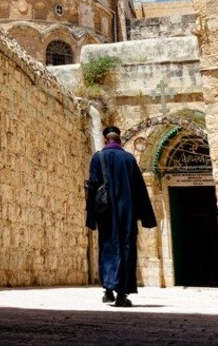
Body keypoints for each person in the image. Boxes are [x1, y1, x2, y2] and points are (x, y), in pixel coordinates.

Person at [85, 125, 157, 307]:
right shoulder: (129, 159)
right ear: (118, 139)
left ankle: (108, 289)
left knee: (107, 246)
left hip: (105, 213)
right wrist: (147, 217)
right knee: (125, 248)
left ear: (105, 139)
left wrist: (91, 217)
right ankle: (121, 294)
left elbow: (92, 187)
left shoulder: (97, 158)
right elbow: (139, 189)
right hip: (127, 212)